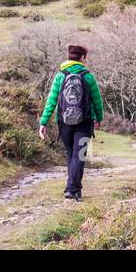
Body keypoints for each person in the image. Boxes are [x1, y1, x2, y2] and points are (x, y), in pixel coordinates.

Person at [38, 44, 105, 201]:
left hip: (64, 122)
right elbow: (97, 100)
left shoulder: (60, 75)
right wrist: (98, 118)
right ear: (82, 58)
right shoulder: (88, 76)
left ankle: (73, 188)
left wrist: (43, 122)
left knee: (71, 155)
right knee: (79, 155)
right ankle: (73, 189)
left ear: (69, 57)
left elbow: (51, 101)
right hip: (84, 122)